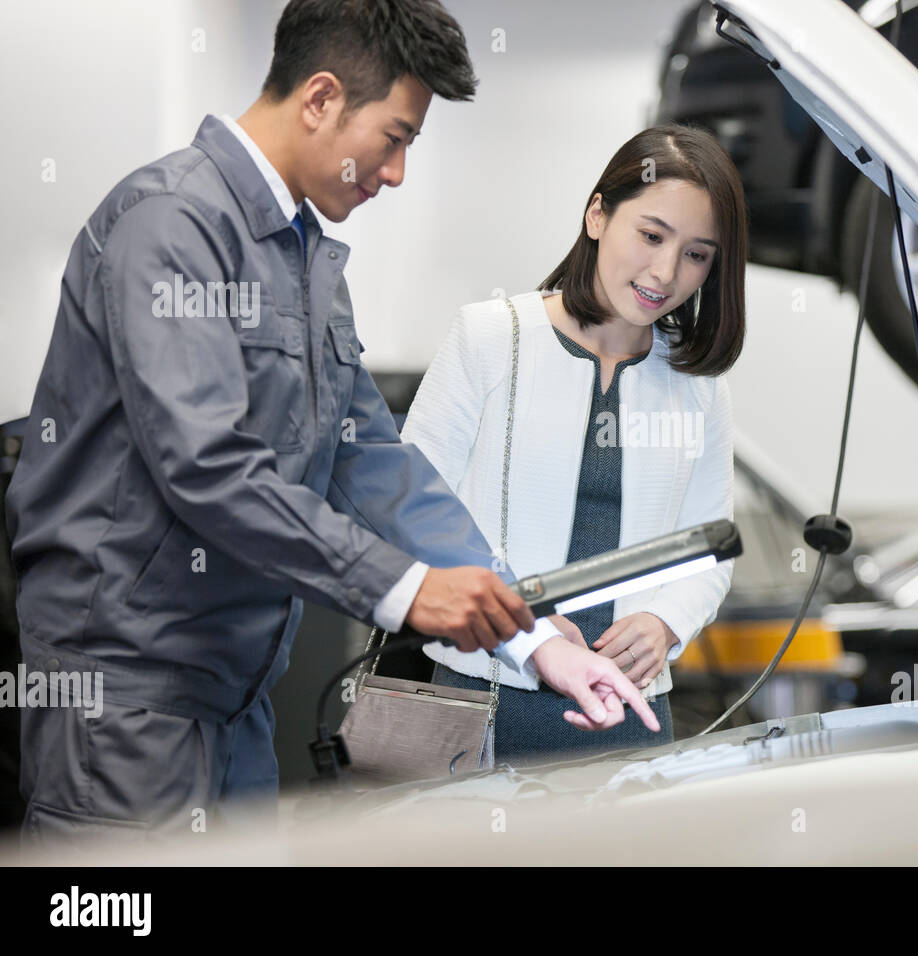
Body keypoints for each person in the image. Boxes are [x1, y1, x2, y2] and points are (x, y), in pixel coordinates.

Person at [3, 0, 657, 847]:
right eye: (395, 138)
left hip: (235, 702)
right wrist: (409, 589)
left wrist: (531, 638)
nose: (395, 174)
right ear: (319, 99)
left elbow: (371, 464)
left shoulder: (305, 258)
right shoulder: (169, 225)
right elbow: (207, 466)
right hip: (126, 705)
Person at [401, 124, 746, 762]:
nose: (666, 272)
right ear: (596, 215)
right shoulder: (490, 336)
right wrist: (520, 623)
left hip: (633, 714)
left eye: (697, 254)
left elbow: (712, 545)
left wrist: (666, 623)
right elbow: (414, 510)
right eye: (651, 235)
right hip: (482, 701)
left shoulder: (698, 386)